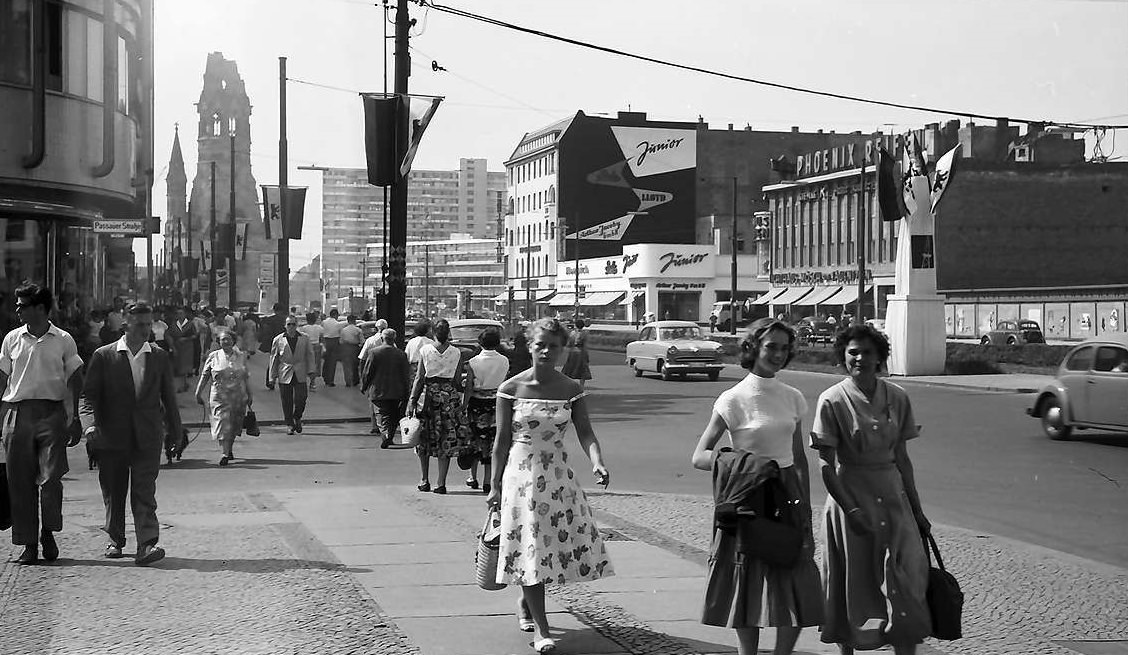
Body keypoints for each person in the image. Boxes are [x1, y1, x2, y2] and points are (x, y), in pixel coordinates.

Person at [690, 318, 822, 655]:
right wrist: (743, 464)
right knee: (745, 581)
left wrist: (805, 505)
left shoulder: (793, 397)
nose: (778, 354)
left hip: (786, 496)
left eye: (784, 347)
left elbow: (798, 456)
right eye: (771, 347)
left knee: (793, 578)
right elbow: (700, 456)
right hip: (748, 499)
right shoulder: (733, 399)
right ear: (754, 348)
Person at [486, 318, 614, 654]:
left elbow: (585, 432)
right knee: (531, 549)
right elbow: (500, 442)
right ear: (529, 345)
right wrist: (494, 486)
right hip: (521, 476)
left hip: (557, 477)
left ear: (562, 350)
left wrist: (597, 461)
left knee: (547, 550)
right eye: (540, 344)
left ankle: (526, 602)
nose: (546, 351)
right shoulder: (510, 388)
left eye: (553, 346)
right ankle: (542, 630)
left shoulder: (571, 388)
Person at [810, 324, 932, 654]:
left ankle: (903, 647)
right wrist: (851, 509)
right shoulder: (832, 399)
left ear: (879, 356)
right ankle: (847, 649)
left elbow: (903, 459)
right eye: (853, 352)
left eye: (867, 352)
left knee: (905, 575)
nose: (860, 358)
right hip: (851, 500)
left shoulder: (898, 396)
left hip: (894, 499)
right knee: (852, 578)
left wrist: (917, 512)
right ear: (843, 357)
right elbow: (825, 464)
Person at [79, 303, 182, 565]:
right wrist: (89, 425)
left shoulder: (158, 356)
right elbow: (88, 397)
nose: (146, 330)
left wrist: (175, 432)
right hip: (111, 435)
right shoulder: (104, 356)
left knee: (144, 490)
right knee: (114, 490)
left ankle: (147, 544)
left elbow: (169, 398)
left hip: (147, 435)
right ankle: (115, 538)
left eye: (148, 325)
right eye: (140, 325)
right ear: (126, 324)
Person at [0, 284, 84, 565]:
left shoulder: (63, 339)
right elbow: (2, 379)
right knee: (19, 482)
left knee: (51, 479)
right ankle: (29, 544)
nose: (17, 310)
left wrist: (75, 417)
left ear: (40, 308)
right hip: (16, 414)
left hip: (51, 413)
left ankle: (48, 530)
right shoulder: (12, 339)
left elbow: (74, 378)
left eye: (22, 305)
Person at [407, 319, 469, 494]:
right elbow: (457, 381)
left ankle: (424, 479)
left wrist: (412, 400)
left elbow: (419, 378)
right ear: (448, 332)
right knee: (446, 438)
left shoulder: (425, 350)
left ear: (432, 333)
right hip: (449, 397)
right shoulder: (456, 352)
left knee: (423, 437)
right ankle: (441, 483)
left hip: (428, 397)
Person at [461, 327, 508, 493]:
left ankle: (472, 477)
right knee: (493, 441)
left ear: (480, 343)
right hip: (497, 404)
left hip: (477, 404)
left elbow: (468, 388)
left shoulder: (474, 362)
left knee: (475, 440)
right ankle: (489, 479)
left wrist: (463, 405)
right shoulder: (504, 360)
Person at [195, 327, 251, 466]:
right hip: (219, 396)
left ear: (233, 341)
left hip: (237, 396)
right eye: (222, 339)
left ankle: (229, 448)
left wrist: (250, 395)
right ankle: (224, 453)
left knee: (234, 424)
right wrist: (198, 392)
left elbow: (246, 377)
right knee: (222, 423)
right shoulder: (213, 356)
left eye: (228, 339)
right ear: (218, 341)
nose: (225, 341)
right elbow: (205, 375)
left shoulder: (241, 356)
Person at [267, 316, 317, 435]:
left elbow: (310, 355)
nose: (291, 327)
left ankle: (297, 417)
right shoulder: (278, 339)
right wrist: (271, 377)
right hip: (285, 371)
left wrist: (312, 372)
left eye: (293, 324)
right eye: (289, 324)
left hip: (300, 371)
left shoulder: (304, 338)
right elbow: (274, 358)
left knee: (301, 398)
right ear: (285, 326)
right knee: (286, 401)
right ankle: (289, 424)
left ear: (297, 325)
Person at [361, 328, 409, 448]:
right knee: (393, 415)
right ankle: (389, 436)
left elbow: (368, 372)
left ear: (382, 338)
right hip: (396, 390)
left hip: (378, 389)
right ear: (394, 339)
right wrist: (406, 390)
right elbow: (405, 374)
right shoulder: (401, 354)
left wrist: (364, 386)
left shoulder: (374, 353)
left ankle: (386, 434)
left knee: (381, 414)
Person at [561, 318, 592, 388]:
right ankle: (581, 386)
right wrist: (587, 356)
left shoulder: (572, 333)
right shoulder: (585, 334)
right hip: (581, 352)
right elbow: (585, 346)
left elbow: (569, 344)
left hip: (573, 352)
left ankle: (568, 384)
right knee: (582, 369)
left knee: (569, 368)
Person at [405, 318, 435, 385]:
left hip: (413, 368)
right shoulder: (431, 342)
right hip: (426, 368)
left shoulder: (411, 341)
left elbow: (407, 356)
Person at [298, 312, 324, 390]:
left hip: (306, 346)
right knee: (314, 364)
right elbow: (322, 338)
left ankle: (303, 380)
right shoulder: (319, 328)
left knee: (305, 363)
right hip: (316, 346)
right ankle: (313, 382)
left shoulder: (303, 328)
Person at [320, 308, 344, 386]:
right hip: (334, 342)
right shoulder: (338, 324)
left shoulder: (324, 322)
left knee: (326, 360)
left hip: (326, 342)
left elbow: (321, 331)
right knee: (332, 362)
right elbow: (340, 335)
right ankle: (330, 380)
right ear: (336, 315)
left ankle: (324, 375)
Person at [339, 315, 364, 387]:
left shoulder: (343, 330)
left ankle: (348, 381)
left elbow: (341, 341)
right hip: (355, 348)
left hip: (345, 348)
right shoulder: (358, 330)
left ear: (348, 321)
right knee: (355, 365)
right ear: (354, 320)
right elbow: (362, 341)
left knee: (346, 365)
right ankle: (355, 380)